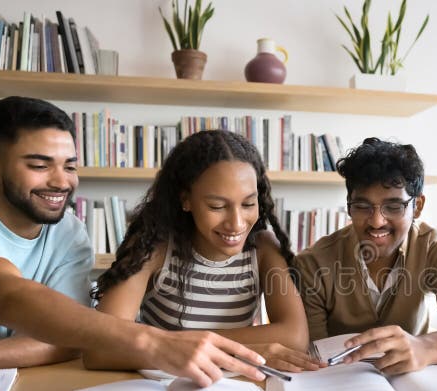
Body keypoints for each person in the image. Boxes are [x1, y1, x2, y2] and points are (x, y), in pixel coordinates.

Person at [0, 96, 266, 386]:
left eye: (70, 166)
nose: (62, 182)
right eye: (40, 165)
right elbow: (9, 296)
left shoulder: (68, 231)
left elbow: (65, 337)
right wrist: (155, 342)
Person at [86, 129, 316, 373]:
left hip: (233, 388)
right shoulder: (155, 247)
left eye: (248, 203)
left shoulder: (263, 248)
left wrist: (184, 343)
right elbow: (99, 348)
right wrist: (249, 346)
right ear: (186, 200)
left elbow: (295, 337)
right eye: (217, 206)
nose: (237, 223)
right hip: (161, 388)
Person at [294, 137, 437, 374]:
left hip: (412, 388)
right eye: (362, 206)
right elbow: (312, 359)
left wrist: (425, 348)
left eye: (393, 206)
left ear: (418, 206)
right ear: (349, 206)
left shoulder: (432, 247)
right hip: (338, 387)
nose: (377, 221)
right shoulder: (313, 263)